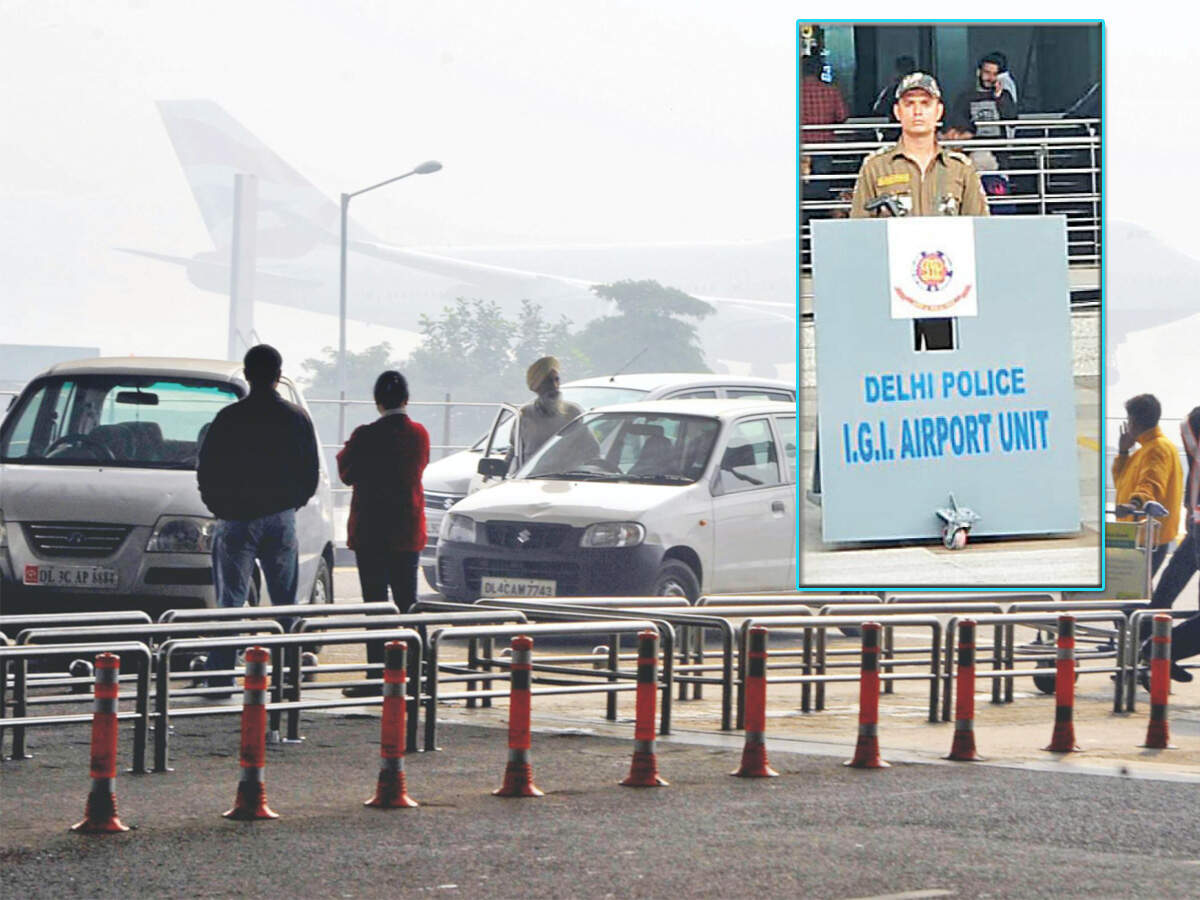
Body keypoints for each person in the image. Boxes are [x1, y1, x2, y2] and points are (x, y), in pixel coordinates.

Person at [197, 344, 320, 690]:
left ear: (248, 375)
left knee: (231, 602)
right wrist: (289, 505)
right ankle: (287, 673)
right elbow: (310, 472)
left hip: (236, 519)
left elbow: (207, 468)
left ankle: (220, 676)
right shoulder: (297, 418)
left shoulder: (229, 418)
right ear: (279, 376)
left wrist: (218, 507)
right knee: (285, 602)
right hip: (280, 517)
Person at [850, 72, 989, 350]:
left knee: (947, 369)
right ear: (897, 112)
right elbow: (858, 232)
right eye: (909, 103)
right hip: (894, 293)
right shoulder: (876, 166)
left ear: (938, 111)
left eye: (925, 103)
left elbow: (981, 230)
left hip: (948, 292)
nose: (917, 111)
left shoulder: (960, 168)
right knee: (897, 372)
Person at [336, 371, 430, 697]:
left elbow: (345, 472)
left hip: (370, 534)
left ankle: (378, 676)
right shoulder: (420, 435)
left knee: (375, 607)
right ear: (407, 399)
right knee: (409, 604)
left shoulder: (365, 436)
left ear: (377, 401)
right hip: (407, 531)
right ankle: (418, 674)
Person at [1112, 394, 1183, 576]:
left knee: (1134, 593)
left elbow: (1151, 484)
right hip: (1139, 535)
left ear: (1133, 421)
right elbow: (1121, 483)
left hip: (1148, 537)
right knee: (1132, 593)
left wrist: (1134, 504)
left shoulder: (1157, 449)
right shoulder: (1146, 449)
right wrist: (1123, 452)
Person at [1145, 406, 1200, 629]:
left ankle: (1151, 647)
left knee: (1167, 589)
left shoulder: (1191, 423)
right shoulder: (1191, 423)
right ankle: (1151, 645)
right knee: (1166, 591)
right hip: (1196, 524)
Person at [508, 356, 584, 472]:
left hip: (567, 480)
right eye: (548, 381)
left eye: (556, 380)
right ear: (536, 386)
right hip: (530, 481)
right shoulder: (524, 416)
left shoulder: (573, 413)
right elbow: (514, 451)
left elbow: (590, 450)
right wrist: (498, 470)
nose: (554, 386)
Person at [950, 53, 1017, 139]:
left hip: (998, 147)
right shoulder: (966, 97)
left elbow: (1012, 121)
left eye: (995, 74)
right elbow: (959, 123)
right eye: (987, 73)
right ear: (979, 72)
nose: (990, 78)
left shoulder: (1004, 95)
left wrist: (999, 97)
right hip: (974, 146)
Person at [801, 54, 848, 175]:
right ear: (820, 70)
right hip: (823, 144)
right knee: (822, 181)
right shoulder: (831, 91)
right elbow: (842, 116)